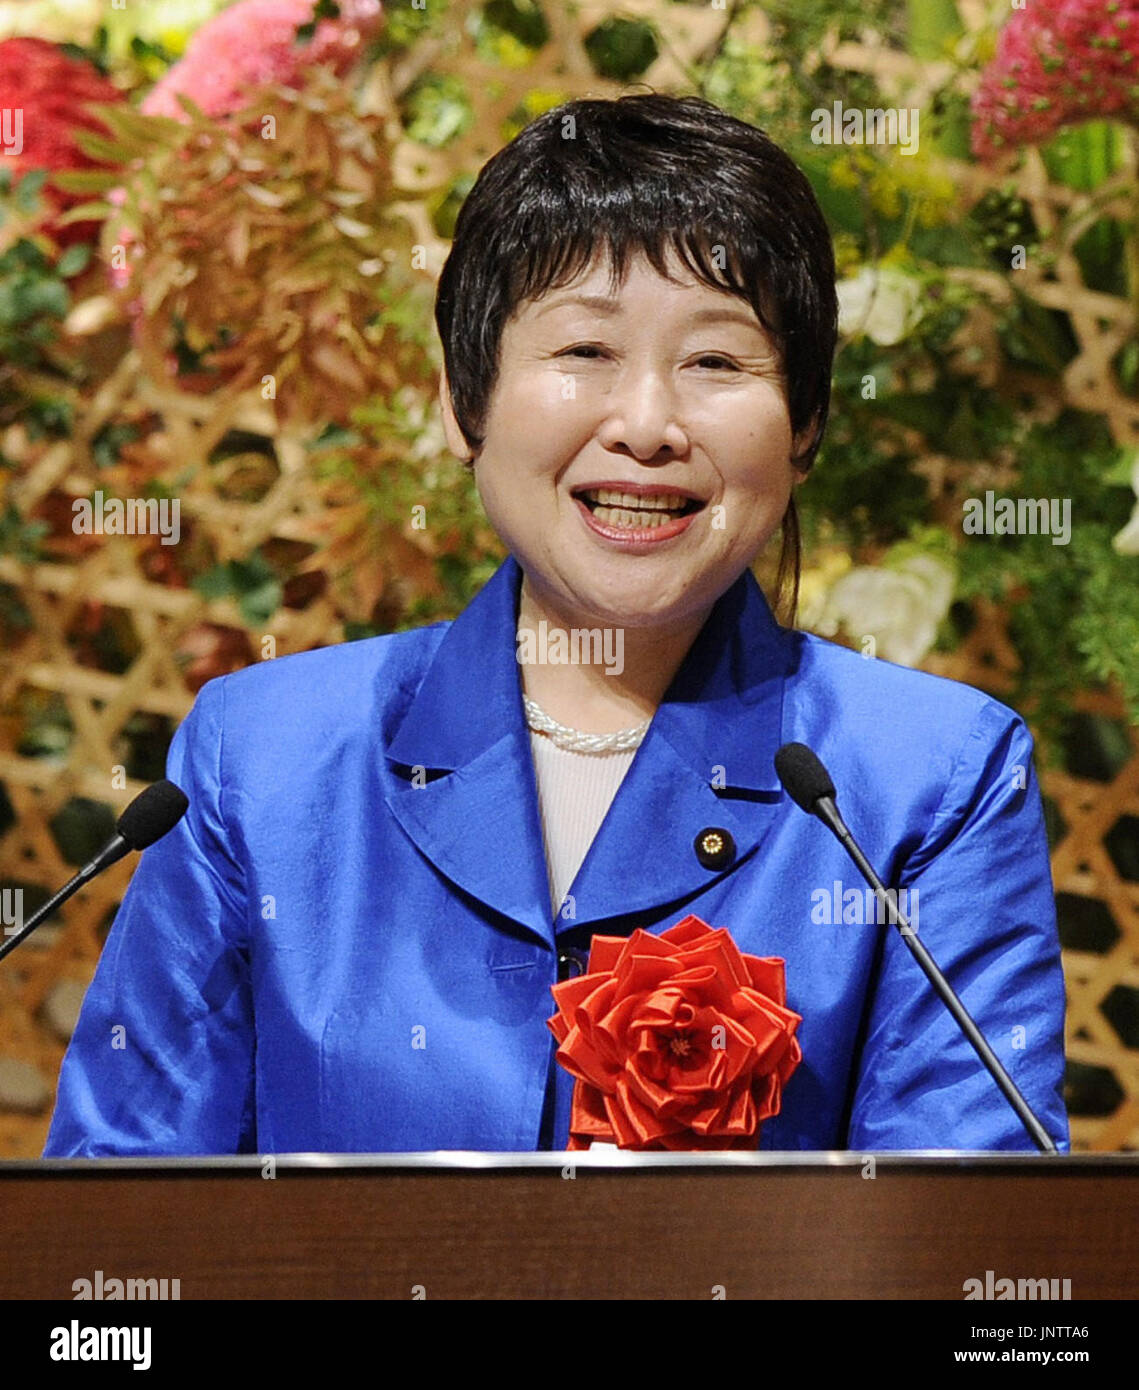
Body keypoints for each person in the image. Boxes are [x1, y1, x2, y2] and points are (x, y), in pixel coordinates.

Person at [43, 93, 1069, 1156]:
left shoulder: (928, 782)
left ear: (804, 424)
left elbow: (966, 1249)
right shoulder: (261, 758)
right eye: (583, 349)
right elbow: (119, 1226)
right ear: (462, 400)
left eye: (716, 362)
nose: (644, 425)